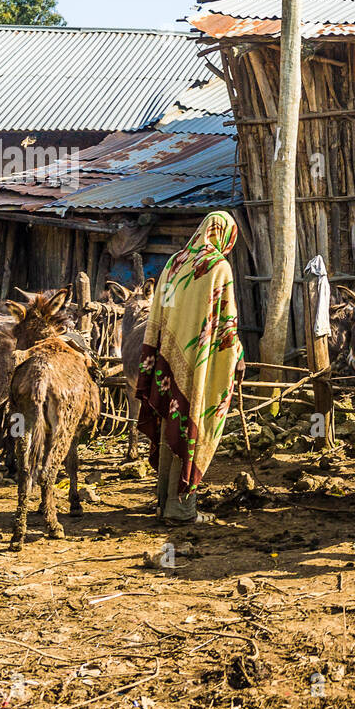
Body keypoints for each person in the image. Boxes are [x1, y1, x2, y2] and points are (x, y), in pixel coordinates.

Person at [136, 211, 245, 526]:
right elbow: (226, 323)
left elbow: (161, 309)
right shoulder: (217, 268)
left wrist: (161, 349)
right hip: (199, 365)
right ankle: (181, 509)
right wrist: (235, 354)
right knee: (190, 429)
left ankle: (164, 503)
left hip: (167, 359)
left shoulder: (173, 264)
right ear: (222, 235)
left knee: (172, 427)